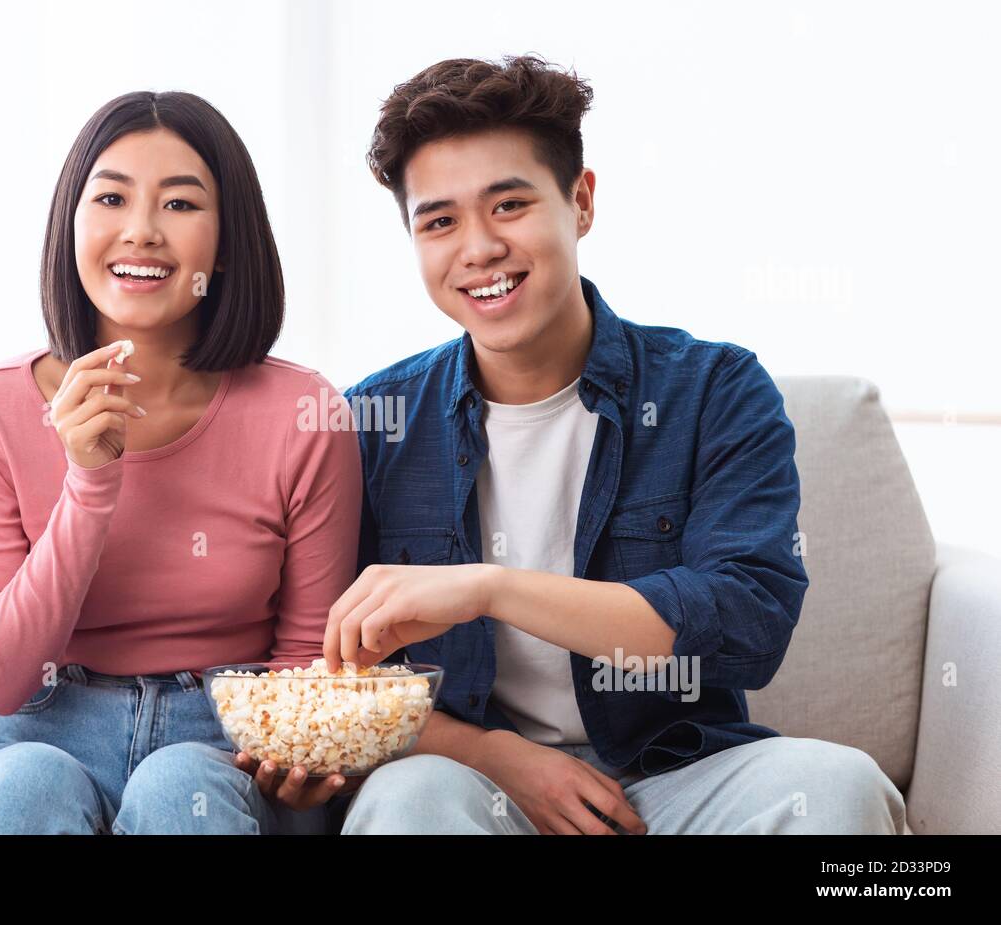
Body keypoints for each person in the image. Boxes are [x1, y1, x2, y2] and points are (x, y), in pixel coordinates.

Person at [322, 54, 907, 835]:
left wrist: (488, 587)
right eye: (439, 221)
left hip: (680, 777)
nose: (479, 248)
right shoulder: (375, 420)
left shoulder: (715, 390)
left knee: (838, 784)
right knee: (407, 799)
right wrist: (499, 758)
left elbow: (746, 619)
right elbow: (330, 673)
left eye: (509, 204)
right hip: (475, 790)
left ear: (581, 201)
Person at [0, 90, 362, 834]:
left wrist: (303, 759)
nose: (140, 232)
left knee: (178, 786)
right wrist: (90, 482)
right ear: (72, 223)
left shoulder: (305, 412)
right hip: (41, 724)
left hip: (221, 739)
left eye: (180, 205)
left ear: (227, 243)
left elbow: (303, 670)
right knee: (27, 786)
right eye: (110, 198)